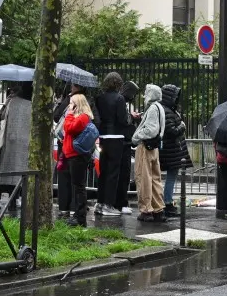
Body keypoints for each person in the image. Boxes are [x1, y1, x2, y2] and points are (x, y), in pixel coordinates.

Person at [94, 73, 131, 216]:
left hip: (102, 136)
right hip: (116, 137)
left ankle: (100, 202)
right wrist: (129, 119)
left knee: (103, 171)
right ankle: (109, 205)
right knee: (113, 172)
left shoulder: (99, 98)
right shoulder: (120, 98)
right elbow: (122, 120)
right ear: (118, 83)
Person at [131, 84, 166, 223]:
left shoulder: (152, 108)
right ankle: (158, 209)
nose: (145, 96)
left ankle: (146, 210)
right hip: (154, 147)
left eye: (146, 93)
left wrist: (136, 136)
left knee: (143, 178)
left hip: (145, 147)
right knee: (155, 179)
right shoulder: (160, 107)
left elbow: (150, 130)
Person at [0, 82, 33, 208]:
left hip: (11, 140)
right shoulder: (33, 105)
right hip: (26, 142)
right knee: (23, 173)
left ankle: (11, 201)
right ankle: (21, 200)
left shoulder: (12, 102)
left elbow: (3, 116)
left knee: (10, 171)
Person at [59, 94, 94, 227]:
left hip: (77, 156)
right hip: (71, 155)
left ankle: (80, 217)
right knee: (76, 186)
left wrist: (68, 114)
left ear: (77, 104)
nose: (69, 105)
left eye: (72, 103)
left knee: (79, 187)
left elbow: (70, 128)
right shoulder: (77, 117)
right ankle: (77, 215)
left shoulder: (83, 117)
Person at [158, 84, 190, 218]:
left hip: (172, 150)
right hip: (171, 151)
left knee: (170, 177)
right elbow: (172, 131)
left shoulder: (168, 109)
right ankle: (167, 202)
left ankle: (167, 201)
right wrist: (182, 126)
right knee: (171, 178)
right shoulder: (168, 111)